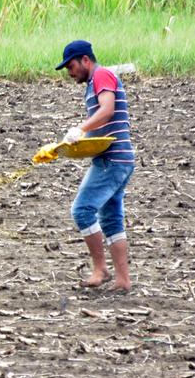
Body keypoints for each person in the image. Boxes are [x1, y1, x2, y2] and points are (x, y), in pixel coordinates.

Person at [55, 40, 136, 292]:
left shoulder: (101, 75)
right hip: (118, 159)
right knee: (111, 219)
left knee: (82, 210)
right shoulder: (93, 83)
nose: (70, 73)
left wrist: (81, 128)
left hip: (112, 160)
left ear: (85, 60)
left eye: (71, 66)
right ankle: (123, 281)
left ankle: (100, 269)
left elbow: (108, 110)